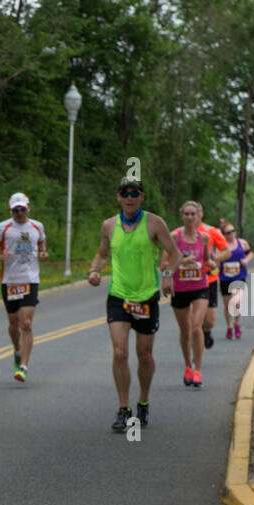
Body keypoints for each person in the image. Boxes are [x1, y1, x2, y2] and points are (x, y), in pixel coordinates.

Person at [87, 176, 189, 432]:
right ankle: (124, 408)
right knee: (120, 352)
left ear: (142, 197)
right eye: (125, 193)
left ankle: (143, 401)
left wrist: (167, 277)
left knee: (144, 355)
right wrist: (94, 270)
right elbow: (101, 252)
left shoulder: (154, 223)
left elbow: (175, 253)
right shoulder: (109, 225)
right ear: (118, 197)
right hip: (118, 296)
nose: (130, 198)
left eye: (135, 194)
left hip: (146, 297)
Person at [0, 192, 48, 382]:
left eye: (22, 209)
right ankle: (17, 350)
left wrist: (43, 252)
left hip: (30, 279)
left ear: (28, 208)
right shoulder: (2, 228)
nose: (19, 213)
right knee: (13, 324)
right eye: (15, 209)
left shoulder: (37, 225)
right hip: (10, 281)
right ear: (10, 210)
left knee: (26, 323)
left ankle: (23, 367)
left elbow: (42, 240)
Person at [170, 202, 214, 388]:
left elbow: (205, 260)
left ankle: (198, 370)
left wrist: (212, 264)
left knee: (197, 327)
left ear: (198, 216)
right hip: (180, 288)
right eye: (186, 214)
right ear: (182, 216)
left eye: (193, 214)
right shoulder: (174, 237)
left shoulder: (204, 238)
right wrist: (181, 261)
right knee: (185, 330)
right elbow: (165, 263)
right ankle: (188, 365)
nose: (189, 217)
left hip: (200, 286)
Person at [196, 203, 228, 350]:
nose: (192, 216)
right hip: (189, 280)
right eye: (188, 213)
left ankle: (206, 330)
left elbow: (227, 251)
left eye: (195, 213)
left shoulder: (211, 231)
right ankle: (194, 356)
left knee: (210, 321)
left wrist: (213, 257)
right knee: (193, 322)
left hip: (209, 280)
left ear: (201, 214)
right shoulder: (179, 233)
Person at [215, 223, 253, 339]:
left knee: (236, 302)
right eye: (228, 232)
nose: (231, 234)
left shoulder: (242, 243)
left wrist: (246, 260)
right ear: (224, 234)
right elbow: (216, 260)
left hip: (239, 276)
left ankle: (237, 323)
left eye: (232, 231)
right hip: (225, 277)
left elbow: (250, 253)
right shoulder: (220, 246)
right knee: (227, 306)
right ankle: (229, 326)